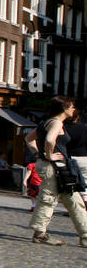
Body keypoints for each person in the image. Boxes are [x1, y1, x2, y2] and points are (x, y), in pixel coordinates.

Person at [29, 96, 87, 247]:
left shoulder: (45, 122)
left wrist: (38, 154)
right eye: (72, 107)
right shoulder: (56, 123)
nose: (74, 109)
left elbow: (28, 138)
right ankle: (40, 234)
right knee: (48, 199)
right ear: (64, 108)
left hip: (58, 167)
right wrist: (49, 156)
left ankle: (85, 234)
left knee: (74, 199)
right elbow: (49, 139)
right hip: (53, 167)